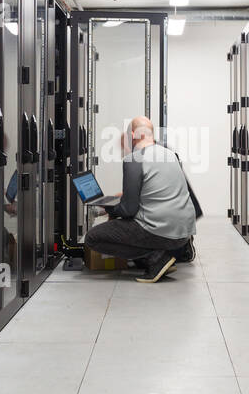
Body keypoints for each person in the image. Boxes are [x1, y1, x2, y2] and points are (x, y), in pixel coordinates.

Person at [83, 116, 196, 283]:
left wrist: (109, 208)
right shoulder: (170, 154)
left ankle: (156, 258)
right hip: (184, 233)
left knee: (92, 238)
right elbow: (155, 190)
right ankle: (161, 256)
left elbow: (129, 210)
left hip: (164, 234)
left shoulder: (133, 159)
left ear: (133, 134)